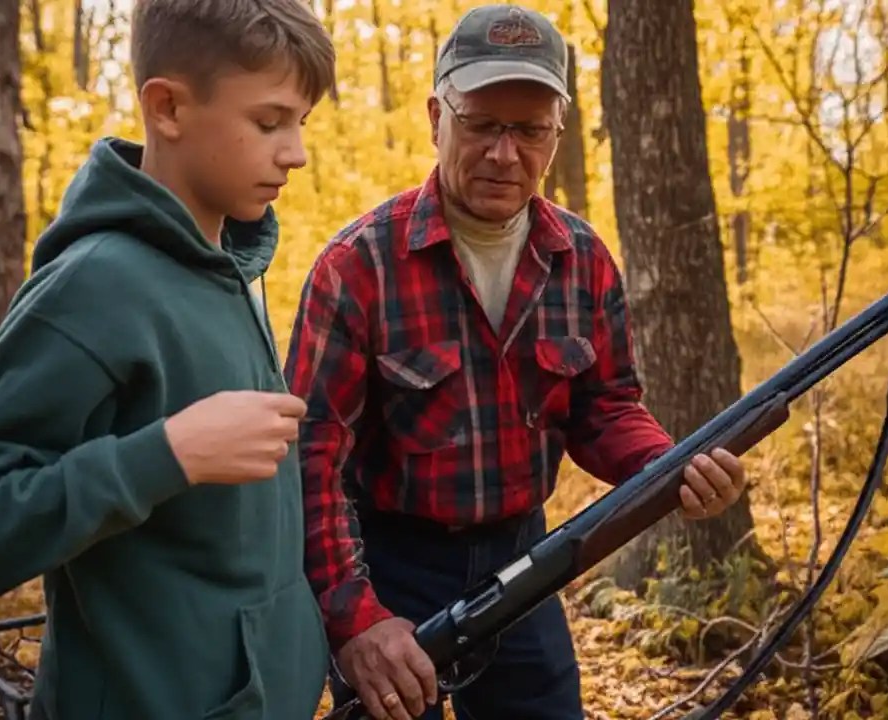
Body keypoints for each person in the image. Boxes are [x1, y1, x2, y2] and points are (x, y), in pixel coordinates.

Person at [284, 4, 748, 720]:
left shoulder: (582, 258)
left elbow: (607, 408)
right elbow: (311, 461)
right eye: (481, 124)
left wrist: (670, 468)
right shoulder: (357, 266)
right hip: (389, 564)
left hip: (526, 562)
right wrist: (355, 620)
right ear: (436, 115)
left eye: (529, 130)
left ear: (557, 134)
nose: (505, 153)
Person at [0, 1, 335, 718]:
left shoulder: (227, 265)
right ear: (168, 108)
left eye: (300, 123)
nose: (296, 153)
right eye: (269, 121)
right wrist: (165, 455)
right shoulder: (96, 286)